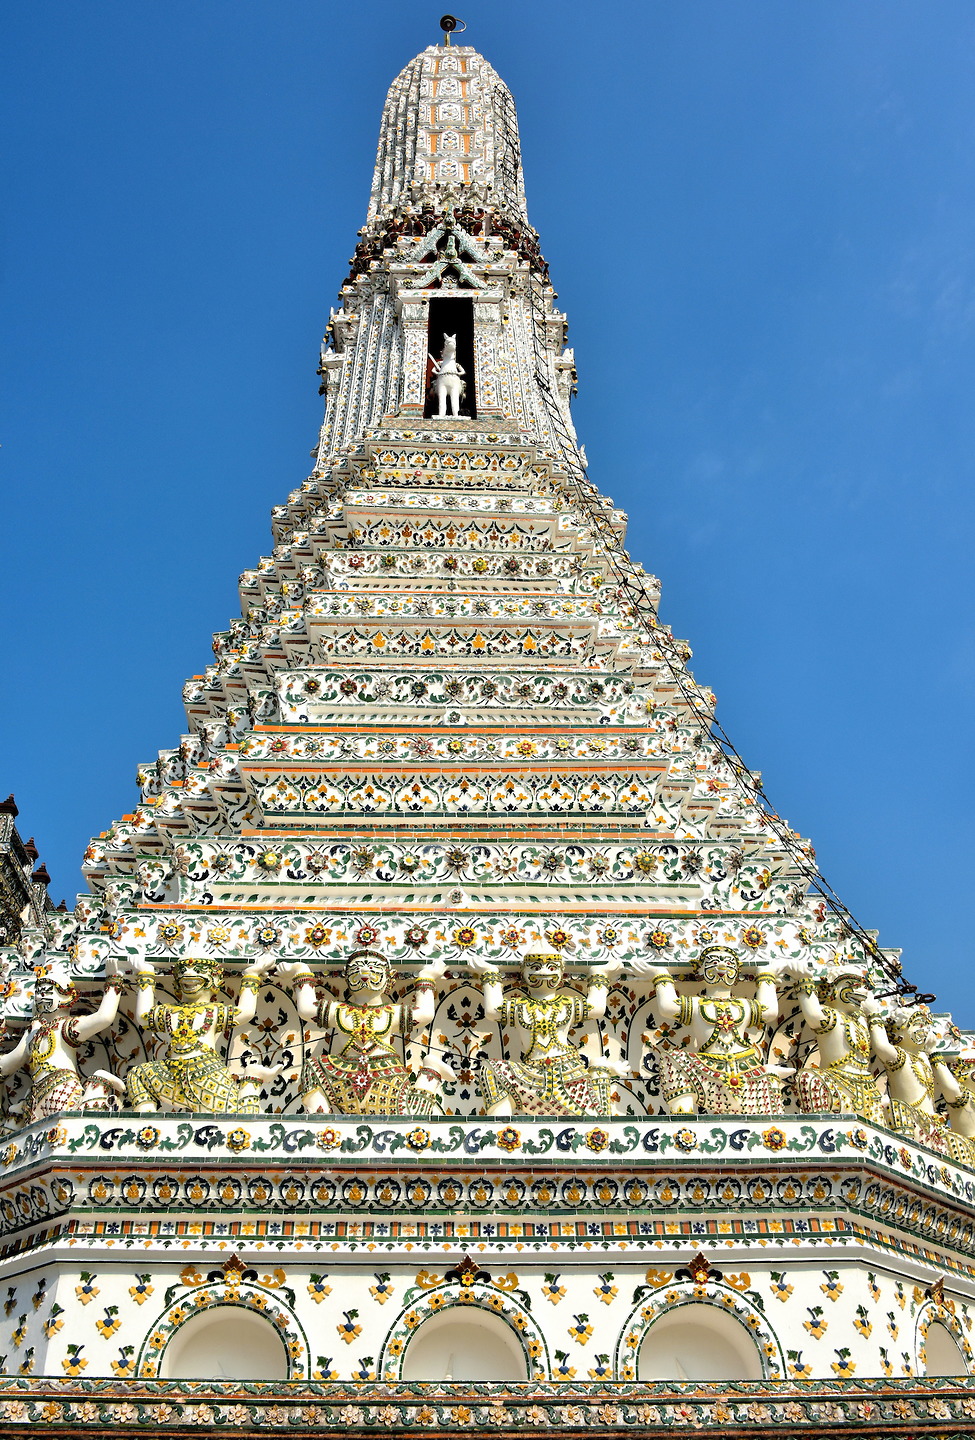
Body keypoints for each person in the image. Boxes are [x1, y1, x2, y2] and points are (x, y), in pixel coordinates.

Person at [279, 950, 449, 1116]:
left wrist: (427, 977)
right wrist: (300, 970)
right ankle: (321, 1121)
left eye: (375, 967)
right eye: (357, 967)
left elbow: (425, 1014)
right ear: (347, 977)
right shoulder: (339, 1010)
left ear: (389, 977)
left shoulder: (391, 1012)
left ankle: (431, 1072)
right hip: (345, 1073)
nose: (365, 971)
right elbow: (307, 1009)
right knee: (313, 1068)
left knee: (410, 1115)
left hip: (385, 1073)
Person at [635, 946, 790, 1116]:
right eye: (713, 962)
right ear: (700, 971)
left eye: (729, 963)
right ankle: (683, 1119)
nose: (722, 967)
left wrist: (766, 974)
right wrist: (660, 975)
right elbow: (668, 1007)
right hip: (707, 1069)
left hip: (748, 1069)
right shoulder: (696, 1004)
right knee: (673, 1059)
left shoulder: (744, 1005)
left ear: (737, 974)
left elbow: (770, 1012)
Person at [467, 951, 622, 1117]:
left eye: (552, 967)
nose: (544, 972)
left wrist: (599, 973)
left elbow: (597, 1008)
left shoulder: (567, 1004)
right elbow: (492, 1010)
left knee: (596, 1122)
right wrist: (490, 973)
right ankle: (501, 1127)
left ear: (562, 974)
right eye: (535, 967)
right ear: (523, 974)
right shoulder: (519, 1006)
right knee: (489, 1068)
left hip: (569, 1076)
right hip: (530, 1077)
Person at [124, 954, 273, 1114]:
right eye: (183, 971)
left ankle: (251, 1080)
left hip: (207, 1074)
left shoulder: (214, 1010)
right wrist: (146, 973)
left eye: (198, 970)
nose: (188, 973)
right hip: (171, 1073)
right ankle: (147, 1124)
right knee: (138, 1074)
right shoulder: (169, 1010)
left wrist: (252, 974)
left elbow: (246, 1012)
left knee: (233, 1118)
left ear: (215, 980)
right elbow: (143, 1016)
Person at [0, 961, 124, 1121]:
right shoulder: (32, 1033)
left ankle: (99, 1081)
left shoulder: (66, 1026)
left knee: (72, 1124)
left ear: (66, 996)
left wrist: (114, 980)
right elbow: (7, 1066)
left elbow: (104, 1017)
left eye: (46, 992)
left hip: (61, 1087)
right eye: (38, 992)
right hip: (35, 1096)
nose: (40, 997)